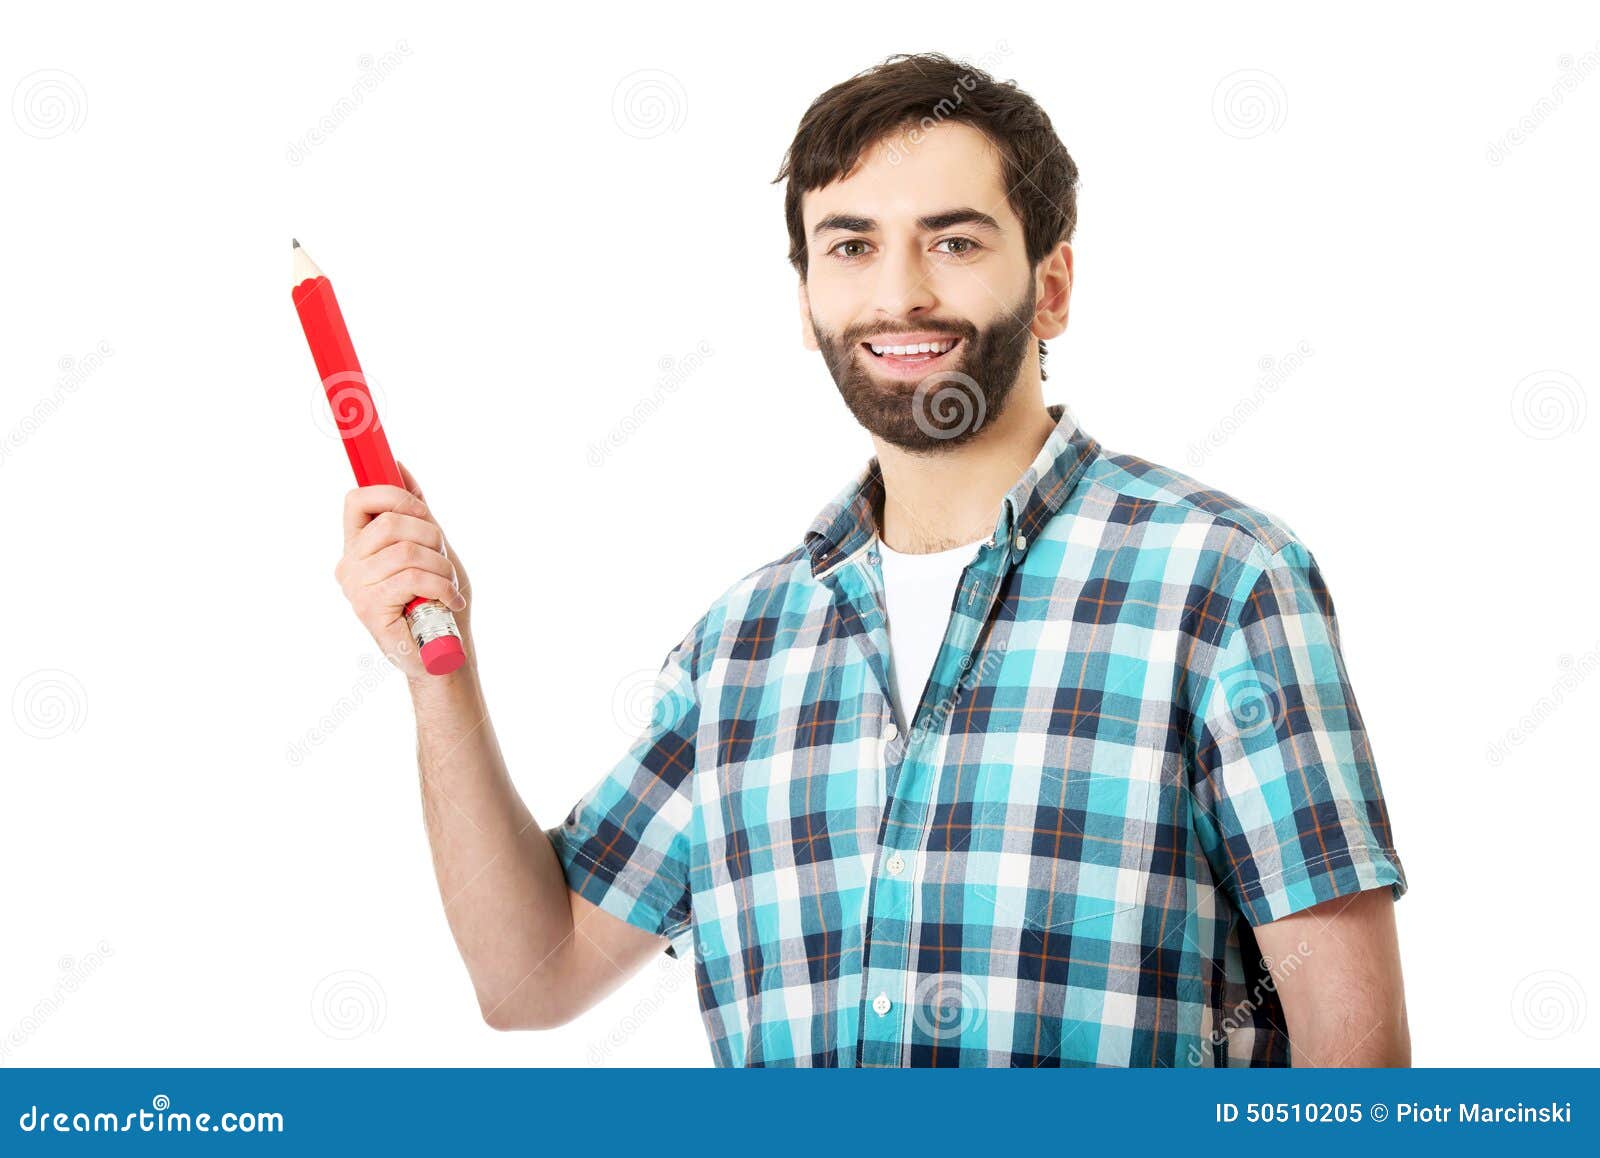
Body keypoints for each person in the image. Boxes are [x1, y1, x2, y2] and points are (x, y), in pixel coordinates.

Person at [334, 52, 1409, 1067]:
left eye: (953, 241)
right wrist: (443, 677)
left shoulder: (1220, 581)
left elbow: (1353, 1064)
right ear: (806, 301)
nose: (899, 294)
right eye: (850, 245)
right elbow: (535, 974)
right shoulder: (739, 651)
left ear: (1051, 287)